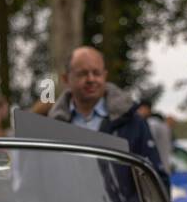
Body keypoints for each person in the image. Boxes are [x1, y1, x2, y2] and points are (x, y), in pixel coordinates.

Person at [47, 46, 168, 185]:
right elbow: (34, 184)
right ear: (65, 78)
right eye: (82, 73)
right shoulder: (49, 126)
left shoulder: (132, 122)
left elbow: (155, 182)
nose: (91, 79)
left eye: (96, 73)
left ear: (105, 75)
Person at [138, 98, 173, 174]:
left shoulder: (152, 124)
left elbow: (147, 144)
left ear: (146, 109)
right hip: (163, 168)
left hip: (156, 170)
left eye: (140, 109)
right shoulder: (163, 125)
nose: (138, 112)